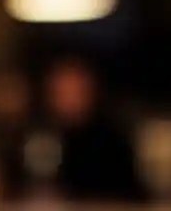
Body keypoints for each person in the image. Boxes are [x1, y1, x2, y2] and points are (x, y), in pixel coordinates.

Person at [44, 58, 146, 201]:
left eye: (76, 92)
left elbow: (125, 198)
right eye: (62, 93)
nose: (70, 101)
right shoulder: (42, 138)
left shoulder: (112, 143)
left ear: (91, 92)